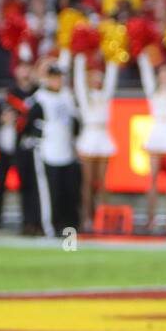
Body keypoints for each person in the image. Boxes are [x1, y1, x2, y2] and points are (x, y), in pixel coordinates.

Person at [0, 56, 44, 235]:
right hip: (5, 146)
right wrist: (1, 120)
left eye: (28, 68)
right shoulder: (7, 95)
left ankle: (30, 222)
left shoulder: (38, 95)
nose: (25, 72)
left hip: (25, 147)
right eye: (22, 68)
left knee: (28, 187)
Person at [29, 61, 80, 236]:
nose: (58, 80)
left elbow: (75, 122)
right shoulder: (40, 98)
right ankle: (49, 227)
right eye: (55, 77)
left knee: (67, 192)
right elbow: (31, 123)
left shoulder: (67, 96)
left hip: (66, 150)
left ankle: (67, 227)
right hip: (47, 150)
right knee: (50, 192)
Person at [137, 49, 166, 234]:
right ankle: (151, 218)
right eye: (162, 73)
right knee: (152, 179)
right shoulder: (152, 92)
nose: (165, 76)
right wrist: (141, 50)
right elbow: (145, 71)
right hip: (156, 134)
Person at [73, 53, 118, 230]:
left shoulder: (105, 96)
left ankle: (103, 217)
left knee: (102, 182)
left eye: (100, 77)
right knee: (87, 182)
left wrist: (114, 54)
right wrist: (80, 57)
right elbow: (78, 82)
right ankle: (86, 217)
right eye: (93, 77)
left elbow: (112, 80)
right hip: (89, 136)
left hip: (103, 136)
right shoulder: (85, 97)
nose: (97, 80)